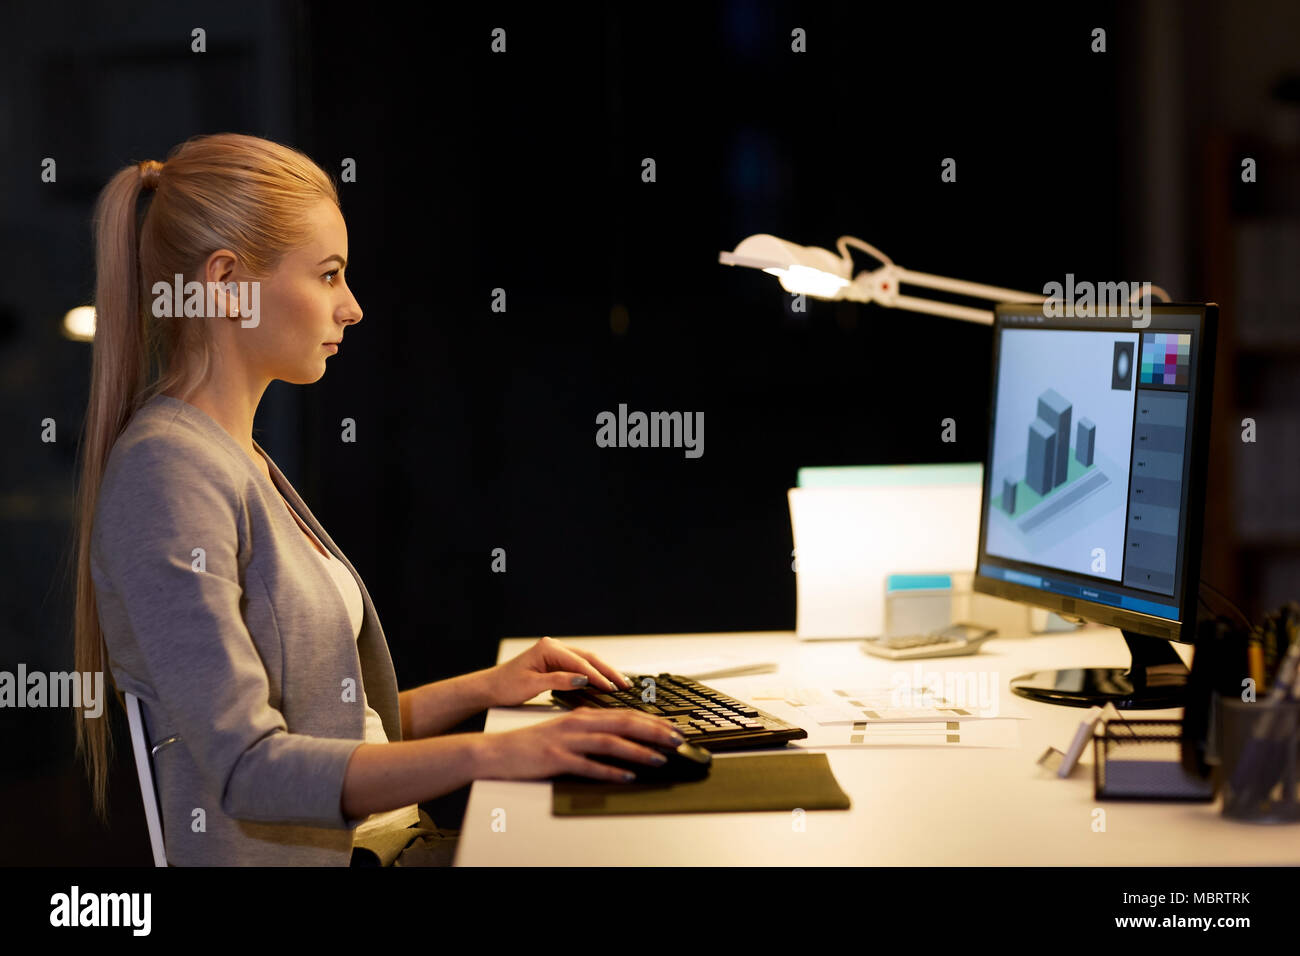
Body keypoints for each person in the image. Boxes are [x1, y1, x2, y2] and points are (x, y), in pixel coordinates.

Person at [71, 132, 684, 866]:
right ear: (227, 280)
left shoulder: (237, 460)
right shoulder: (166, 474)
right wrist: (495, 755)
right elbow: (246, 768)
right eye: (329, 276)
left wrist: (488, 690)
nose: (352, 308)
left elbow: (336, 728)